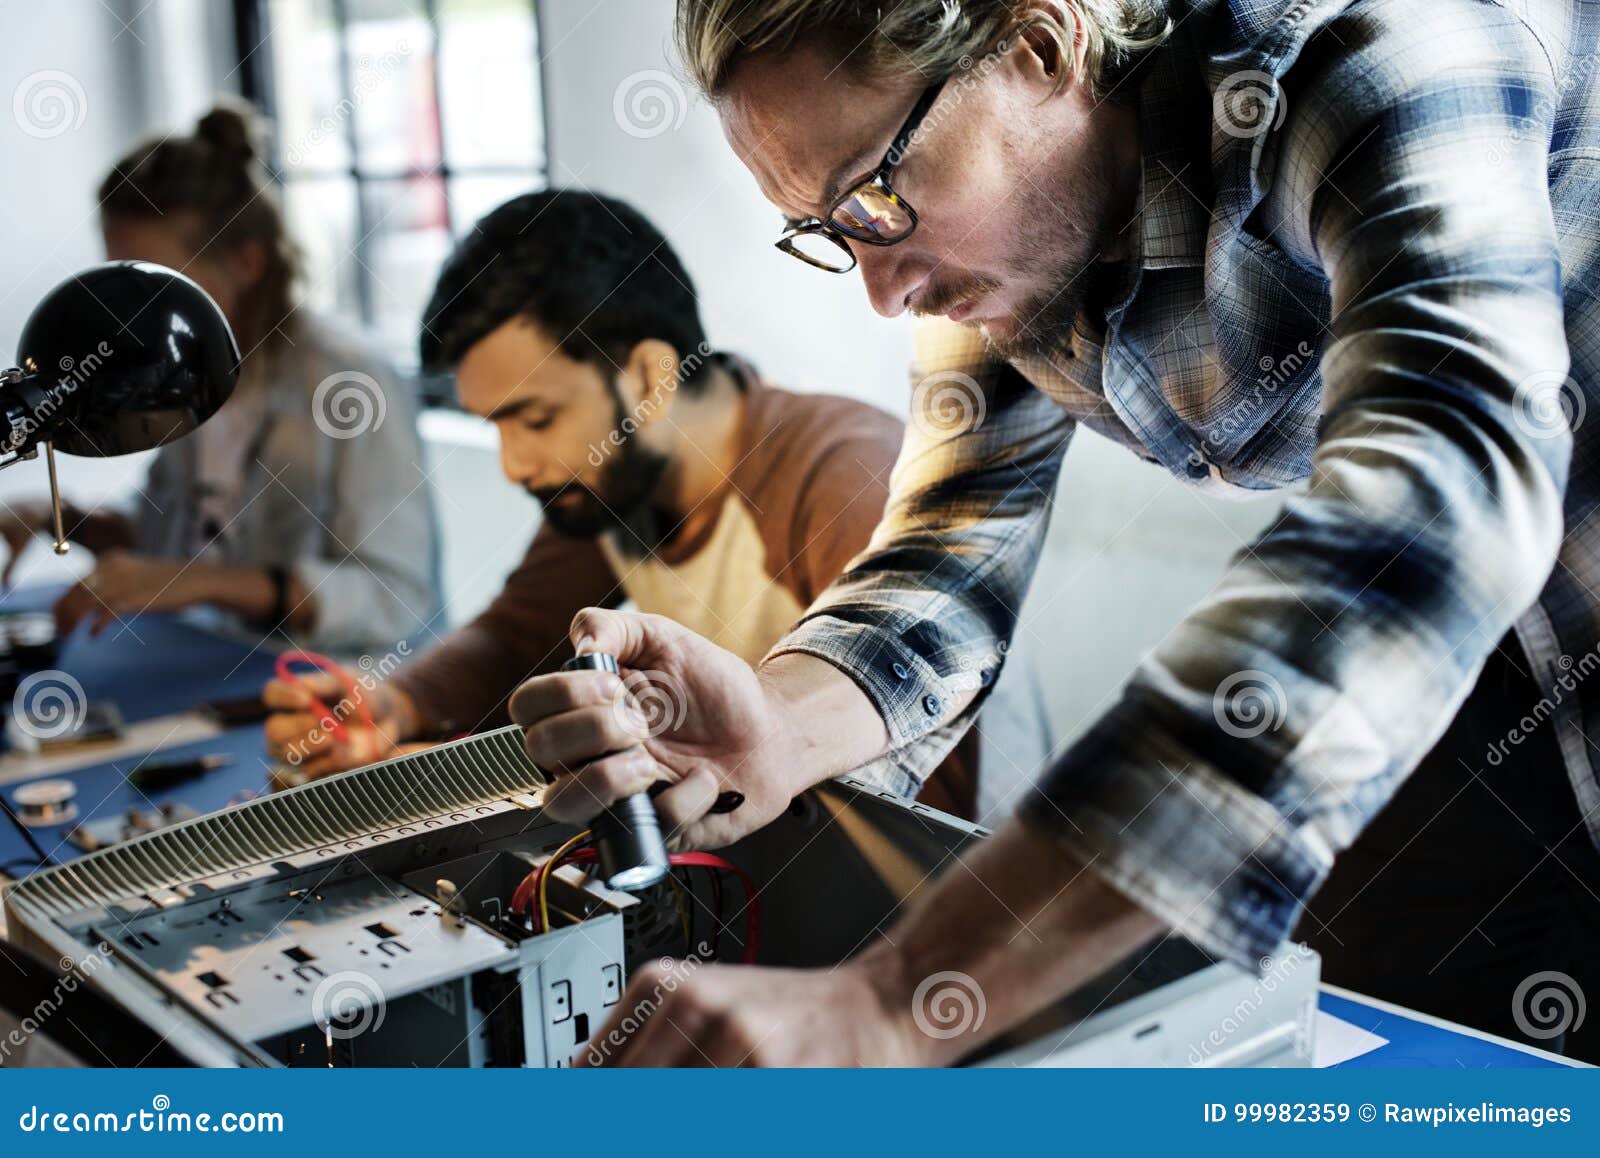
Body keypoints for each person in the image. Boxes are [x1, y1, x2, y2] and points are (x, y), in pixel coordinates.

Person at [508, 0, 1600, 1065]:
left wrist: (895, 1002)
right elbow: (948, 543)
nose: (884, 290)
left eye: (879, 195)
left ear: (1038, 43)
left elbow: (1431, 516)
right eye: (830, 233)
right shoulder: (1012, 240)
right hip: (1480, 641)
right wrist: (781, 725)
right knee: (1407, 1027)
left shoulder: (1384, 46)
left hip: (1516, 546)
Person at [261, 189, 1051, 822]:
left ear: (647, 378)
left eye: (534, 420)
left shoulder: (841, 482)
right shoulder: (613, 488)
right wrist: (395, 705)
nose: (514, 464)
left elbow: (911, 808)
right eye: (494, 428)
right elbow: (512, 639)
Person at [0, 101, 440, 650]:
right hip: (210, 665)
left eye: (154, 287)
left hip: (339, 686)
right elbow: (178, 538)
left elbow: (393, 597)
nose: (124, 322)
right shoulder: (178, 375)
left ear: (247, 263)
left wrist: (203, 585)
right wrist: (62, 516)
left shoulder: (351, 378)